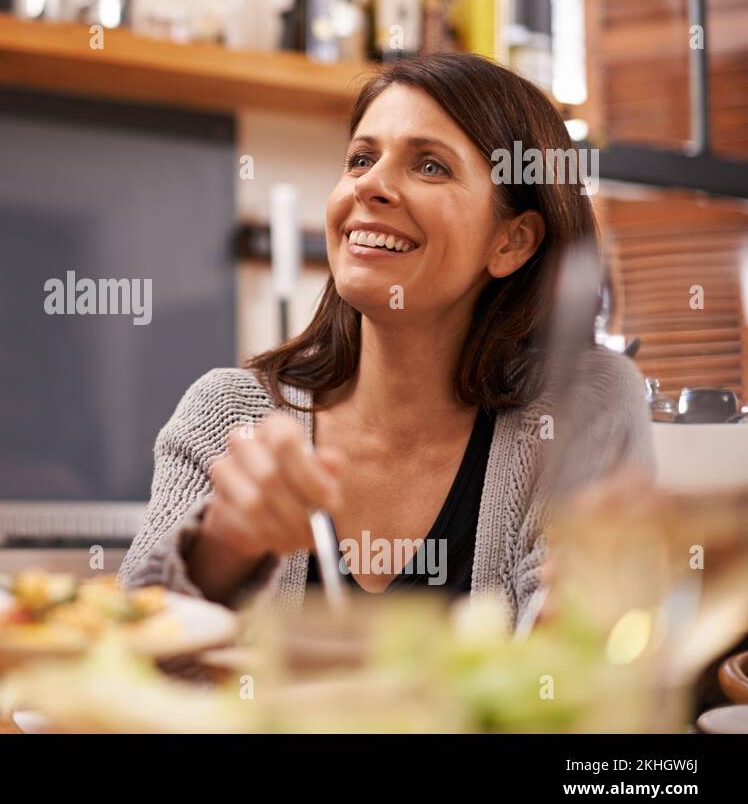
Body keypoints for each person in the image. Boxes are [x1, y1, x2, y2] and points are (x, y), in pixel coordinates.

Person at [119, 53, 654, 630]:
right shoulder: (226, 412)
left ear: (512, 241)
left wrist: (584, 611)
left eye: (429, 166)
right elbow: (117, 667)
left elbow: (566, 687)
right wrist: (221, 547)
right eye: (360, 158)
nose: (370, 184)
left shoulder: (581, 406)